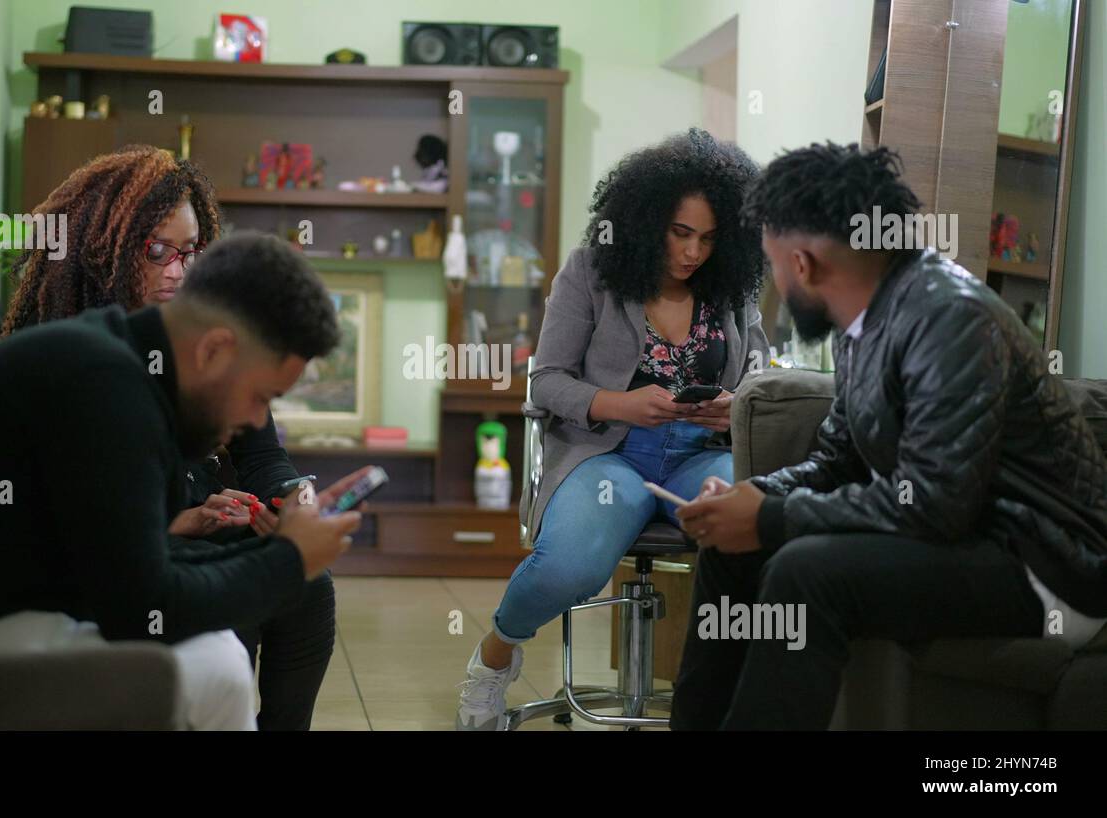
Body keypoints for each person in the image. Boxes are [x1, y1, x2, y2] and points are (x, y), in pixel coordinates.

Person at [672, 142, 1107, 730]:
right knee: (729, 548)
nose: (775, 279)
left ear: (802, 264)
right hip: (971, 538)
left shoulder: (950, 318)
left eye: (774, 262)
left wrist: (774, 519)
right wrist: (753, 500)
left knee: (807, 572)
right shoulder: (864, 323)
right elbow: (837, 459)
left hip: (1046, 563)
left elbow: (935, 503)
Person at [0, 232, 360, 729]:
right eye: (261, 396)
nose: (255, 418)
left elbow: (138, 571)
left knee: (242, 635)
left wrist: (285, 552)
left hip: (16, 591)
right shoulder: (107, 386)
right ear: (215, 349)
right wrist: (290, 559)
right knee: (217, 669)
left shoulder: (127, 364)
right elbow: (144, 607)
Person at [457, 129, 770, 730]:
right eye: (680, 233)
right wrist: (617, 403)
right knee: (568, 567)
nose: (693, 253)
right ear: (645, 218)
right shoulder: (591, 272)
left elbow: (758, 380)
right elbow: (546, 380)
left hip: (700, 456)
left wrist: (733, 407)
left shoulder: (732, 290)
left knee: (755, 532)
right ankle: (494, 657)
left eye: (708, 238)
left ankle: (720, 704)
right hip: (610, 454)